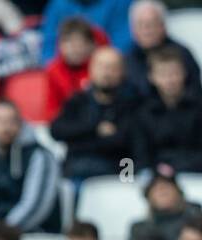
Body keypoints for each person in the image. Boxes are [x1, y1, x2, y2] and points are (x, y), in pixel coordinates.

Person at [0, 99, 60, 233]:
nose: (5, 128)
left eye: (11, 121)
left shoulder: (40, 156)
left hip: (34, 231)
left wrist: (5, 231)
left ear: (20, 123)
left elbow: (36, 204)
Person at [52, 46, 141, 182]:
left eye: (112, 68)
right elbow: (57, 131)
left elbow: (126, 143)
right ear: (91, 70)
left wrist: (80, 139)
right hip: (78, 171)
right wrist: (95, 128)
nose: (106, 73)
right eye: (101, 67)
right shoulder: (77, 101)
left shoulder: (132, 104)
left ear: (122, 72)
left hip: (119, 172)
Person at [135, 46, 202, 174]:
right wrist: (158, 170)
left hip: (197, 176)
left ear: (184, 73)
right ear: (151, 77)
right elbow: (140, 154)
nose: (170, 80)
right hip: (156, 178)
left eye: (174, 73)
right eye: (163, 74)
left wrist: (175, 168)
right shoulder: (143, 111)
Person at [125, 0, 201, 98]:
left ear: (163, 25)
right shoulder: (127, 59)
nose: (146, 30)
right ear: (133, 29)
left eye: (151, 24)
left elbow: (195, 91)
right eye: (141, 24)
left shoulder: (182, 54)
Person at [127, 166, 202, 240]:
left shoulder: (199, 220)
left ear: (178, 191)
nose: (162, 191)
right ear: (148, 197)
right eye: (156, 188)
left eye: (167, 186)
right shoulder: (139, 230)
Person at [43, 17, 100, 124]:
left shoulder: (98, 67)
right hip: (66, 125)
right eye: (68, 43)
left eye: (80, 44)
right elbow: (51, 110)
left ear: (91, 45)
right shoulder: (53, 70)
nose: (74, 49)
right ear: (59, 45)